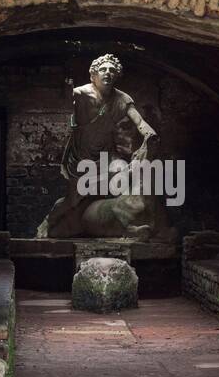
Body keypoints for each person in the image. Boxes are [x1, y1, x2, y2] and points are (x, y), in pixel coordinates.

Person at [36, 53, 159, 238]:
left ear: (117, 75)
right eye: (103, 69)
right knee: (73, 200)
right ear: (93, 75)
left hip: (106, 153)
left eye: (112, 70)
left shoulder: (123, 99)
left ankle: (126, 224)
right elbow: (66, 102)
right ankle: (48, 222)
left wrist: (150, 134)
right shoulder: (80, 94)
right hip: (81, 156)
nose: (107, 73)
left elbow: (139, 122)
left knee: (125, 174)